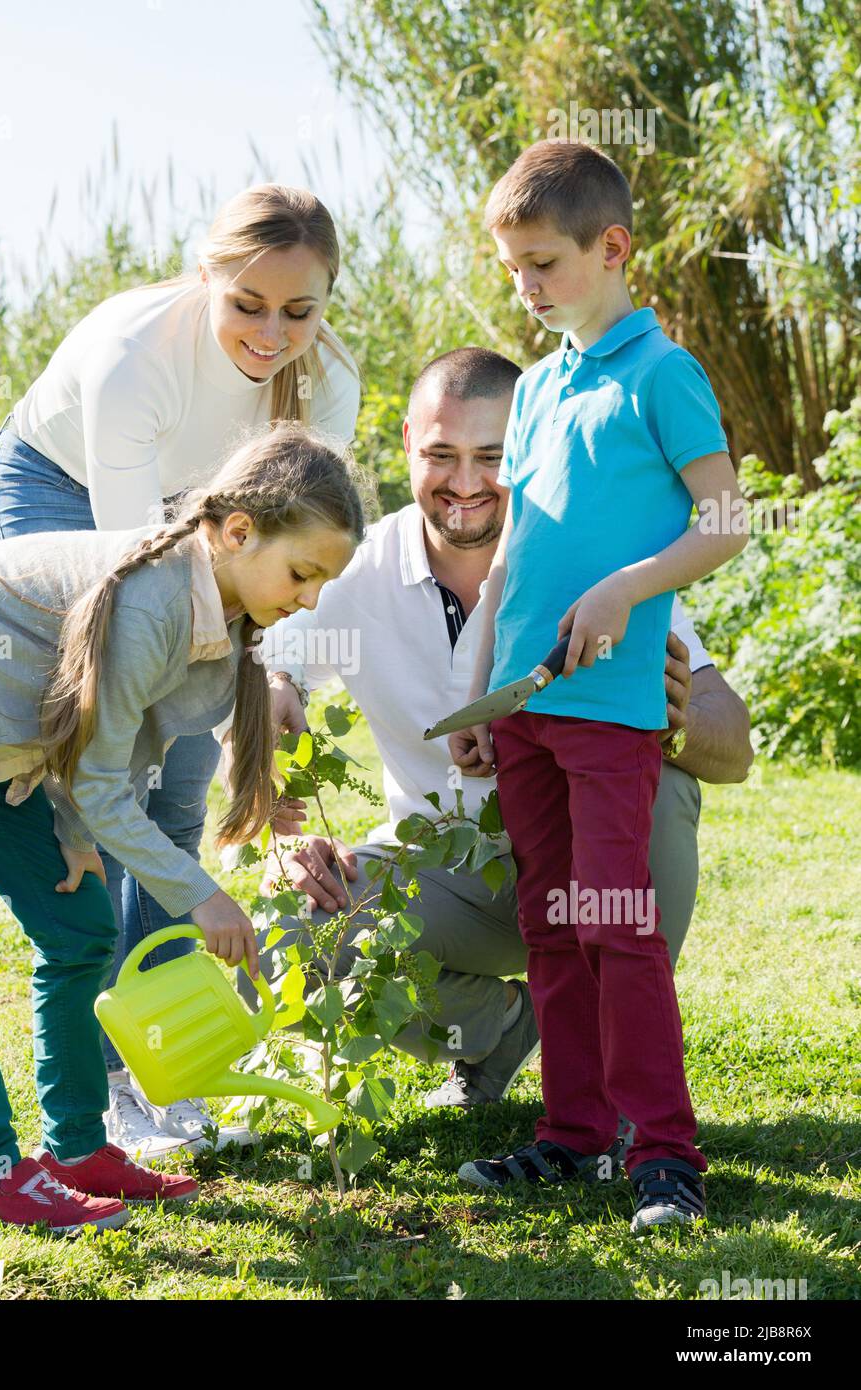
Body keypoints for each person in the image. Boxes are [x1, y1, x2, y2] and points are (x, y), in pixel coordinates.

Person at [0, 424, 370, 1233]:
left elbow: (115, 743)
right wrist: (201, 899)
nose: (310, 599)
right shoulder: (156, 595)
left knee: (80, 928)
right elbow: (101, 774)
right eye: (302, 573)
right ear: (236, 531)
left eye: (324, 582)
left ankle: (76, 1150)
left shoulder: (217, 608)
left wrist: (78, 832)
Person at [256, 349, 752, 1123]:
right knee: (287, 930)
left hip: (596, 856)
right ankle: (494, 1034)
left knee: (664, 786)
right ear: (406, 445)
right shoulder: (350, 568)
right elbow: (266, 680)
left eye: (492, 457)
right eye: (440, 455)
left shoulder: (593, 563)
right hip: (446, 875)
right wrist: (280, 819)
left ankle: (616, 1072)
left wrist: (668, 723)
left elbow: (736, 747)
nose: (464, 484)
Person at [0, 183, 360, 1159]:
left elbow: (296, 554)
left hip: (206, 507)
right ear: (206, 275)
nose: (273, 333)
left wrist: (277, 690)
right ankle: (101, 1074)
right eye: (248, 304)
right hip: (66, 493)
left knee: (184, 780)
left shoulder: (328, 386)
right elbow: (133, 586)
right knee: (122, 763)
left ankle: (167, 1058)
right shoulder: (133, 360)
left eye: (300, 311)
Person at [447, 140, 748, 1233]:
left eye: (540, 265)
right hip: (524, 708)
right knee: (546, 922)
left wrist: (627, 588)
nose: (523, 290)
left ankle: (663, 1154)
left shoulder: (663, 375)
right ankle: (571, 1136)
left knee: (614, 919)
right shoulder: (534, 388)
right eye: (513, 269)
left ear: (609, 249)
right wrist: (484, 692)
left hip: (612, 706)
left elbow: (723, 521)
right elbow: (518, 550)